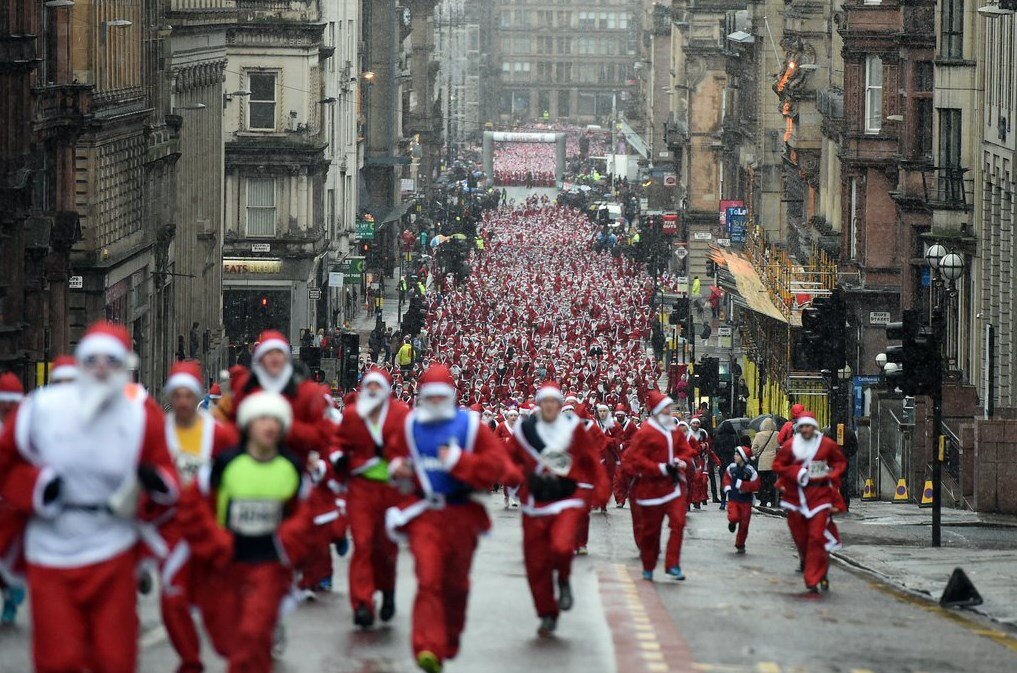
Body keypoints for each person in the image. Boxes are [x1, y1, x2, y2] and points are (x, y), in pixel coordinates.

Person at [0, 321, 179, 673]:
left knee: (114, 658)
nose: (100, 368)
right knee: (58, 658)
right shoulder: (41, 408)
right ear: (80, 363)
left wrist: (154, 480)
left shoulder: (142, 414)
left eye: (111, 361)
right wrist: (38, 488)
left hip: (112, 546)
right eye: (92, 359)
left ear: (124, 367)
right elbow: (6, 466)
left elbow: (167, 475)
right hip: (51, 547)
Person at [182, 390, 326, 673]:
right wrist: (217, 543)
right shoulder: (226, 464)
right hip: (229, 563)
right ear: (249, 424)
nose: (269, 427)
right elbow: (198, 508)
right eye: (262, 420)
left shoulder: (291, 468)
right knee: (230, 638)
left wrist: (285, 543)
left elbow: (306, 514)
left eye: (275, 420)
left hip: (269, 565)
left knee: (253, 632)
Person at [386, 364, 513, 673]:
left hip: (461, 516)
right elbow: (394, 458)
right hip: (425, 515)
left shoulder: (471, 426)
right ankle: (427, 646)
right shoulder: (410, 425)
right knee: (428, 580)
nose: (436, 402)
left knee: (456, 586)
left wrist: (459, 461)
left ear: (452, 397)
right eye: (430, 397)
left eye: (442, 397)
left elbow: (494, 467)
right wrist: (398, 471)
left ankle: (449, 636)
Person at [505, 381, 606, 637]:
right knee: (536, 565)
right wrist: (512, 477)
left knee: (562, 547)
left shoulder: (574, 429)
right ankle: (547, 613)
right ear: (539, 405)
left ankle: (563, 578)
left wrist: (600, 488)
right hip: (534, 504)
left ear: (560, 405)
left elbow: (590, 459)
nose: (549, 406)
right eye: (545, 402)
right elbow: (509, 460)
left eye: (554, 402)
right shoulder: (525, 431)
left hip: (566, 499)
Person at [160, 361, 238, 673]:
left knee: (215, 599)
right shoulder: (158, 432)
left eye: (187, 395)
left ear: (197, 397)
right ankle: (190, 660)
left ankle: (233, 648)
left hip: (210, 527)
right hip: (173, 530)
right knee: (173, 598)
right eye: (176, 395)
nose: (182, 401)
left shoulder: (219, 435)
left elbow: (237, 475)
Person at [332, 366, 410, 628]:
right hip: (361, 489)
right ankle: (363, 603)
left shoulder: (401, 414)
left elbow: (409, 447)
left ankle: (387, 591)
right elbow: (338, 443)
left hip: (391, 489)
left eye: (379, 386)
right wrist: (339, 458)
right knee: (363, 544)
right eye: (370, 386)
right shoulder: (353, 415)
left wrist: (402, 462)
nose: (374, 390)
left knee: (386, 548)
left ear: (387, 390)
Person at [214, 329, 332, 461]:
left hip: (292, 463)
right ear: (260, 358)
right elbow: (232, 427)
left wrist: (286, 427)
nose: (274, 357)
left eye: (279, 353)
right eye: (269, 353)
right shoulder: (246, 387)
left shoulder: (306, 391)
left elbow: (321, 436)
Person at [622, 391, 695, 581]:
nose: (669, 412)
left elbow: (686, 451)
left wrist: (682, 461)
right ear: (656, 411)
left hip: (673, 487)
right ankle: (648, 564)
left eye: (669, 408)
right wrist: (662, 468)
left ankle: (673, 564)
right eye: (665, 409)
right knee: (651, 531)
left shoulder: (674, 430)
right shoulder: (644, 433)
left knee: (678, 523)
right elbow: (636, 459)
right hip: (651, 489)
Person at [772, 413, 847, 593]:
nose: (806, 430)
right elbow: (778, 465)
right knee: (802, 539)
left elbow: (840, 463)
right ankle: (816, 567)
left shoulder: (826, 445)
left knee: (816, 536)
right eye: (803, 427)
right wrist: (797, 473)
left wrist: (831, 474)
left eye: (809, 426)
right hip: (796, 498)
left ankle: (813, 578)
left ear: (814, 428)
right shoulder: (791, 446)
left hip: (819, 496)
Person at [0, 371, 25, 625]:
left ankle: (11, 598)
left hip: (18, 505)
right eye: (2, 402)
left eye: (11, 402)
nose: (6, 407)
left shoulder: (27, 428)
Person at [722, 444, 760, 553]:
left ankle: (740, 544)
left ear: (743, 457)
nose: (735, 456)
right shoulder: (731, 468)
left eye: (737, 455)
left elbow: (756, 485)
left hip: (746, 501)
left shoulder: (750, 471)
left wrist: (743, 485)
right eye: (735, 454)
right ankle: (732, 522)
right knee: (734, 516)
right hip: (734, 499)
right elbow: (726, 479)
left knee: (744, 524)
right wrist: (728, 487)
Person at [609, 405, 637, 508]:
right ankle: (619, 499)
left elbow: (635, 439)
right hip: (616, 456)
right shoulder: (613, 425)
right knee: (617, 480)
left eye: (621, 415)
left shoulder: (631, 426)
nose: (620, 417)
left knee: (628, 479)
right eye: (618, 415)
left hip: (628, 455)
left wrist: (624, 445)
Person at [751, 417, 780, 506]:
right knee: (773, 483)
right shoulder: (777, 434)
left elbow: (753, 448)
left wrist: (757, 453)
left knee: (763, 483)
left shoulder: (759, 435)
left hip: (763, 462)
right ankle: (773, 501)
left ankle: (763, 500)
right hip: (774, 462)